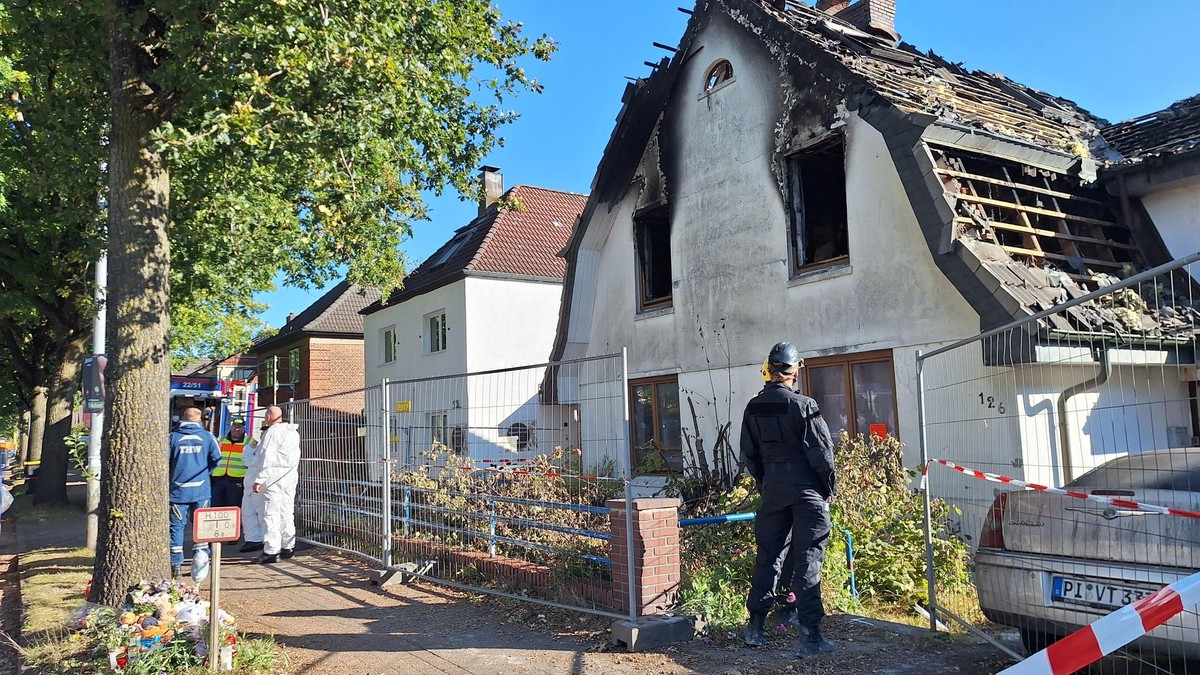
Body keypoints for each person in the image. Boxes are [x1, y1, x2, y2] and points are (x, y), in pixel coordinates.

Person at [740, 342, 837, 657]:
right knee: (808, 561)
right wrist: (828, 489)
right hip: (807, 491)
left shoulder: (753, 407)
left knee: (768, 557)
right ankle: (811, 638)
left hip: (774, 491)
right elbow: (822, 454)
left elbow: (750, 456)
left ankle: (755, 627)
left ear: (769, 369)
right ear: (795, 370)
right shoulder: (804, 405)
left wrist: (766, 484)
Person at [169, 407, 223, 582]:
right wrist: (205, 473)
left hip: (177, 491)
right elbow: (217, 458)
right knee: (203, 527)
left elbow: (165, 461)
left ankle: (176, 566)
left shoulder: (173, 437)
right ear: (200, 420)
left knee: (176, 527)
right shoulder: (207, 437)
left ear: (183, 418)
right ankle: (200, 566)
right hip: (201, 491)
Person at [250, 406, 301, 564]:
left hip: (273, 475)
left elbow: (267, 456)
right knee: (286, 510)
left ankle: (271, 550)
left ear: (269, 416)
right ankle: (288, 546)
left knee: (270, 512)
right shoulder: (293, 432)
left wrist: (259, 479)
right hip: (290, 474)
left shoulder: (272, 432)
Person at [211, 418, 250, 509]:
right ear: (231, 427)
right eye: (235, 427)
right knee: (215, 507)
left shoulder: (249, 442)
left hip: (237, 482)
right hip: (218, 479)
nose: (237, 429)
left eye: (240, 427)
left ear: (244, 429)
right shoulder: (220, 440)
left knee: (233, 508)